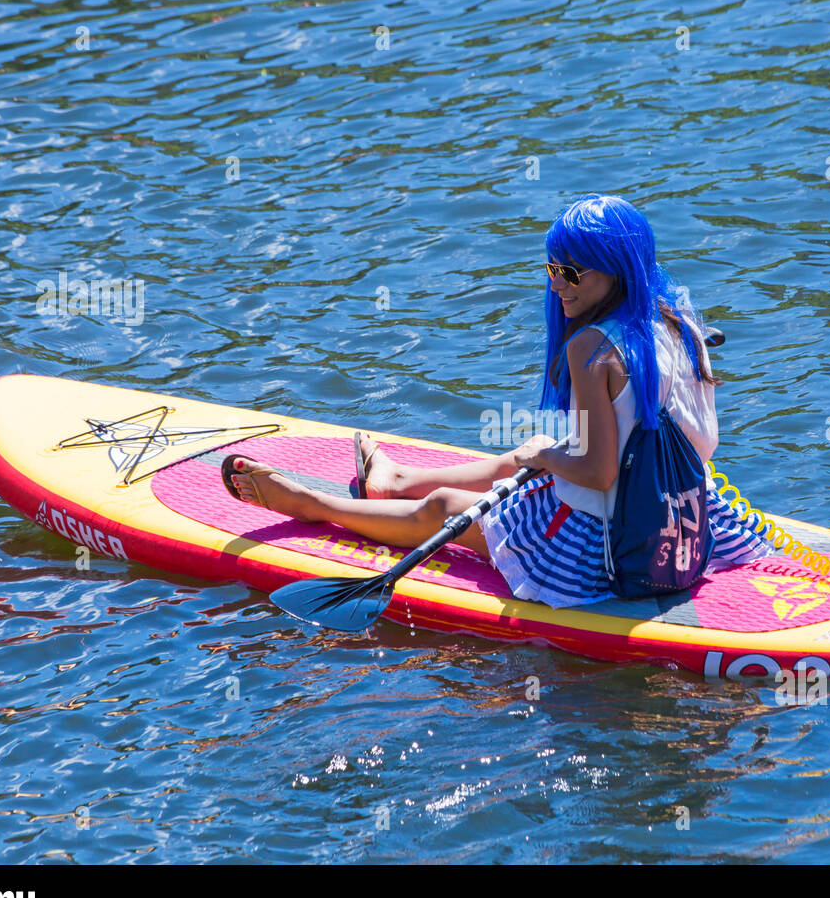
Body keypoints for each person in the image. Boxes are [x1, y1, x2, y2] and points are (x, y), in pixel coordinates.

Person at [226, 193, 770, 606]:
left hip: (605, 545)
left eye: (571, 271)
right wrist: (543, 458)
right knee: (522, 460)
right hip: (687, 515)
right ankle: (390, 481)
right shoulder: (680, 320)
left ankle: (311, 505)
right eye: (552, 269)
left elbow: (600, 473)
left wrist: (545, 457)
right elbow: (697, 441)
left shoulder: (590, 347)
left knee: (446, 509)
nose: (557, 285)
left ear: (615, 270)